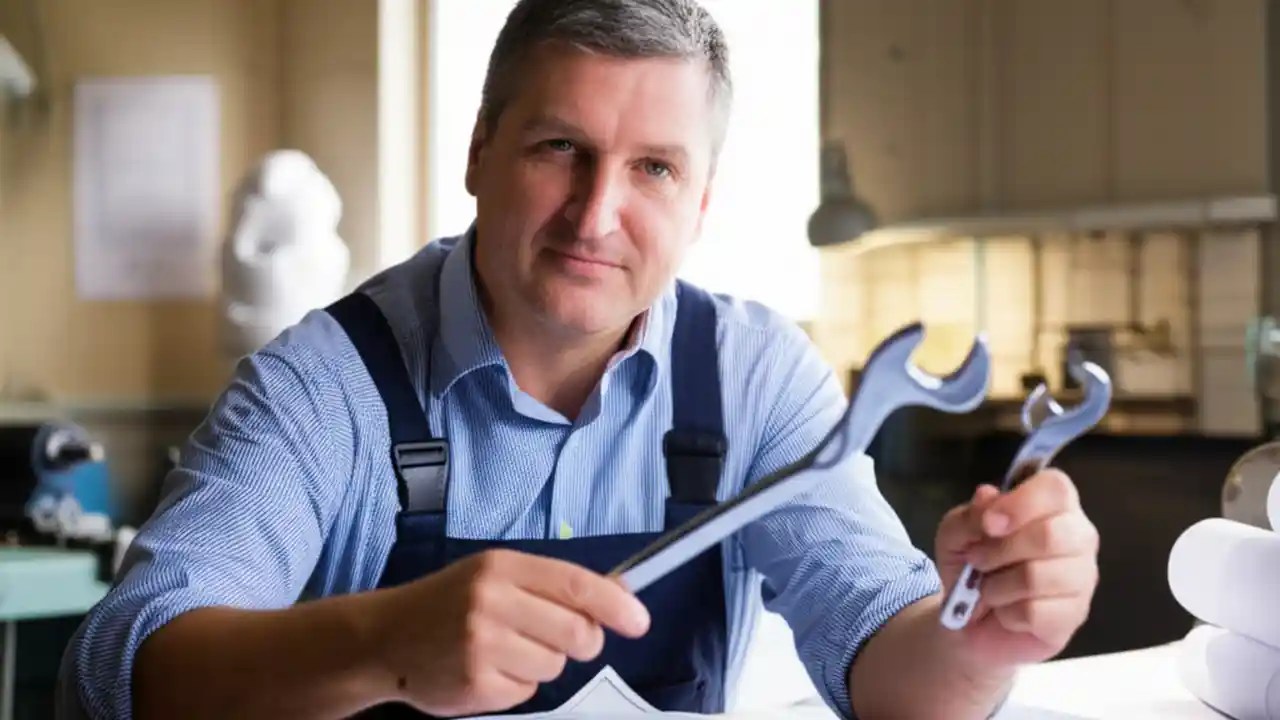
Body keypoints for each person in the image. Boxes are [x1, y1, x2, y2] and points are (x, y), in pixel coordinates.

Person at [57, 1, 1101, 718]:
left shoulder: (758, 379)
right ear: (480, 150)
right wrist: (381, 644)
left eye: (653, 168)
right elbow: (118, 672)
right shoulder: (322, 386)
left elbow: (891, 673)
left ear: (700, 201)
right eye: (560, 148)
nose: (596, 215)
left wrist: (980, 639)